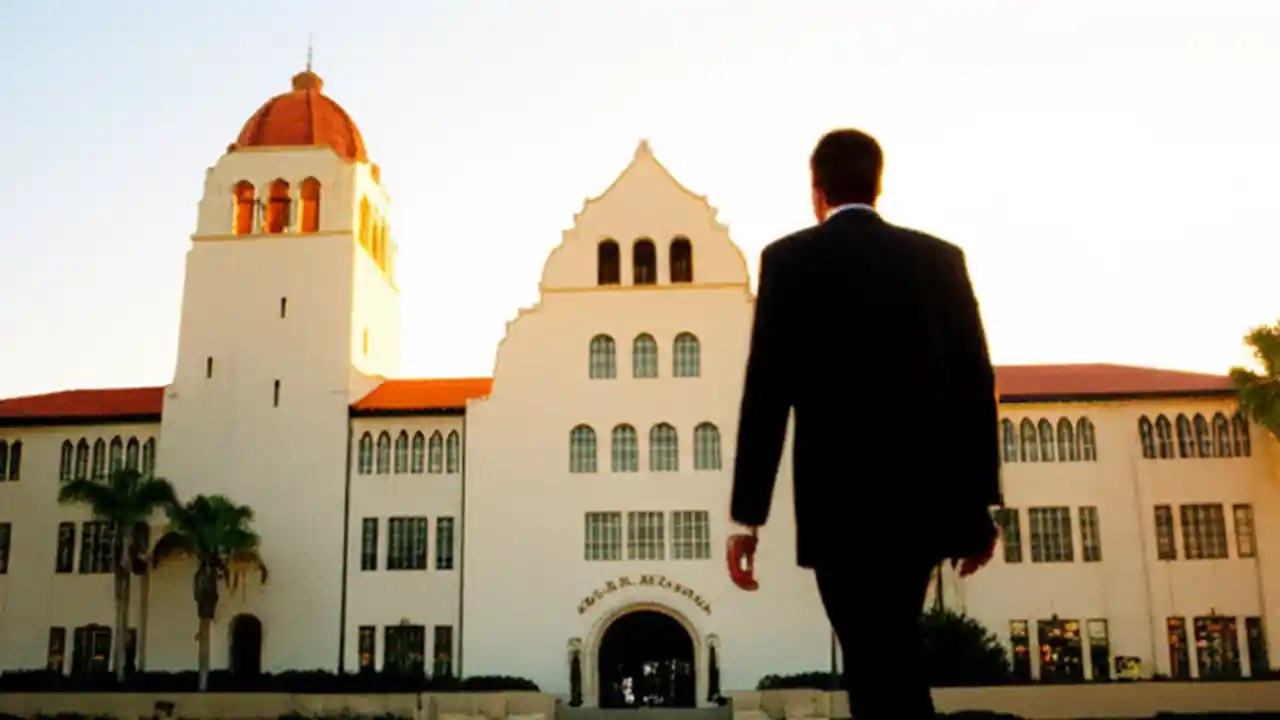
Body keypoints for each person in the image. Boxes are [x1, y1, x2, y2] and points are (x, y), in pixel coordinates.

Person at [728, 128, 1003, 720]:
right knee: (894, 647)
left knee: (872, 655)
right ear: (879, 184)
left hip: (836, 505)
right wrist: (979, 507)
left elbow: (767, 391)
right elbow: (975, 385)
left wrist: (748, 516)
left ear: (816, 189)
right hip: (919, 505)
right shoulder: (939, 259)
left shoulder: (789, 259)